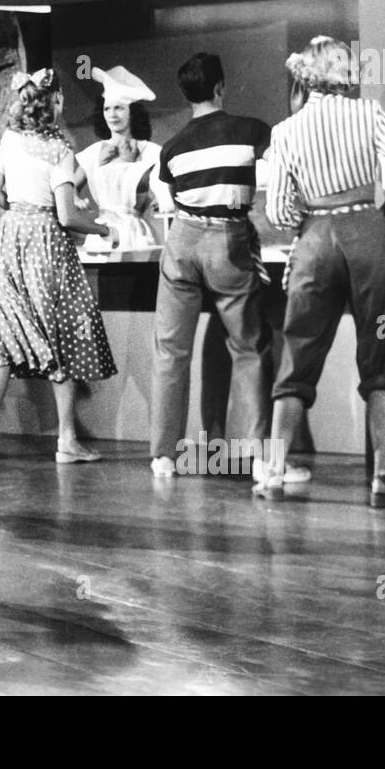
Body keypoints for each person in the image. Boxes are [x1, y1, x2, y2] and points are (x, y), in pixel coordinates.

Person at [254, 37, 385, 506]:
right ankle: (382, 478)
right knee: (381, 355)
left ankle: (272, 473)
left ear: (306, 76)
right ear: (344, 73)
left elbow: (278, 212)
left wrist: (308, 218)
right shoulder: (369, 114)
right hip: (368, 238)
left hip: (313, 242)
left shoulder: (285, 131)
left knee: (296, 358)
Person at [0, 68, 118, 462]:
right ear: (53, 102)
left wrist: (18, 211)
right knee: (59, 332)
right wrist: (103, 229)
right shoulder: (58, 149)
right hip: (44, 239)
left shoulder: (9, 139)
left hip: (9, 236)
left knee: (5, 336)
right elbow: (69, 216)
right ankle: (67, 441)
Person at [149, 53, 273, 479]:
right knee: (248, 349)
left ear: (186, 95)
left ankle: (164, 455)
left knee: (171, 351)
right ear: (221, 86)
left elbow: (166, 203)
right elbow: (273, 181)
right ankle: (259, 457)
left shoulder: (171, 148)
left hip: (181, 240)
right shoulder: (253, 131)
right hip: (228, 240)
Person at [74, 66, 169, 251]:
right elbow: (69, 187)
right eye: (107, 109)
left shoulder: (150, 151)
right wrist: (76, 200)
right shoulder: (93, 153)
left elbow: (166, 193)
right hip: (102, 234)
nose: (112, 115)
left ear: (131, 112)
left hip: (135, 235)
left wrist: (162, 200)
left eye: (119, 108)